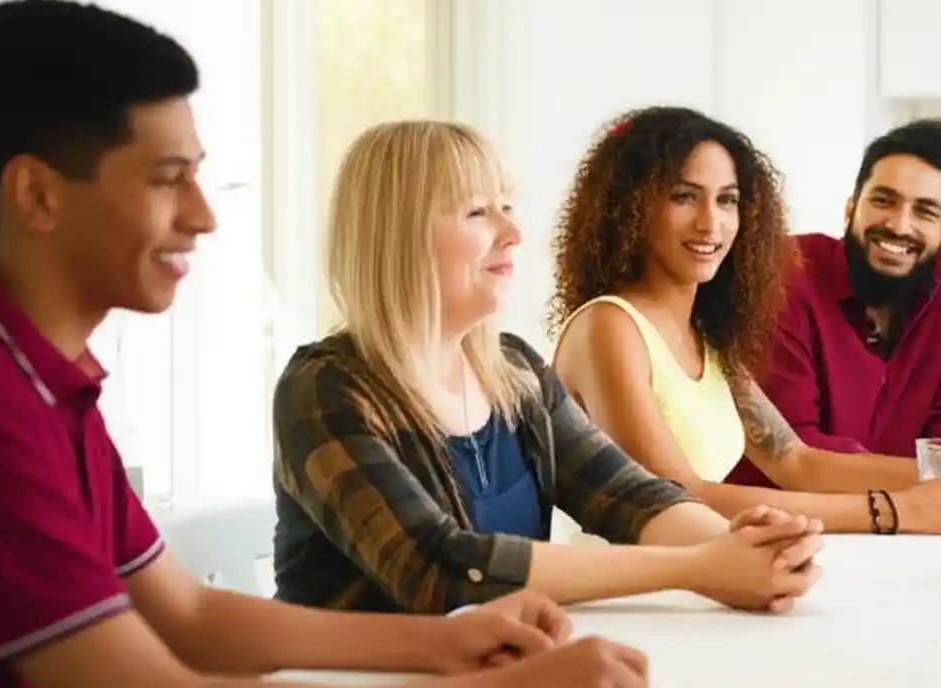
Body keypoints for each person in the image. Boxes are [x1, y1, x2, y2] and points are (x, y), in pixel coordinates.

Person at [0, 0, 649, 688]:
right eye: (168, 180)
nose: (203, 215)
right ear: (38, 196)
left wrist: (442, 642)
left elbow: (186, 613)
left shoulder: (45, 385)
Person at [270, 119, 823, 619]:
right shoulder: (326, 388)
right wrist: (699, 568)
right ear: (397, 234)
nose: (512, 233)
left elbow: (631, 497)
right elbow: (440, 570)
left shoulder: (514, 371)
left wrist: (739, 548)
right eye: (477, 212)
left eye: (506, 207)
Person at [549, 106, 941, 535]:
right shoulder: (610, 327)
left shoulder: (707, 337)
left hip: (707, 574)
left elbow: (797, 462)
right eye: (683, 196)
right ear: (630, 208)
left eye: (728, 200)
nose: (710, 223)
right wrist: (891, 511)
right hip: (634, 597)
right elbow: (677, 499)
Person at [719, 117, 941, 502]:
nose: (897, 224)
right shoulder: (786, 273)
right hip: (780, 520)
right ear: (850, 208)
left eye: (925, 211)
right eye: (883, 200)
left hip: (900, 515)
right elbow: (796, 454)